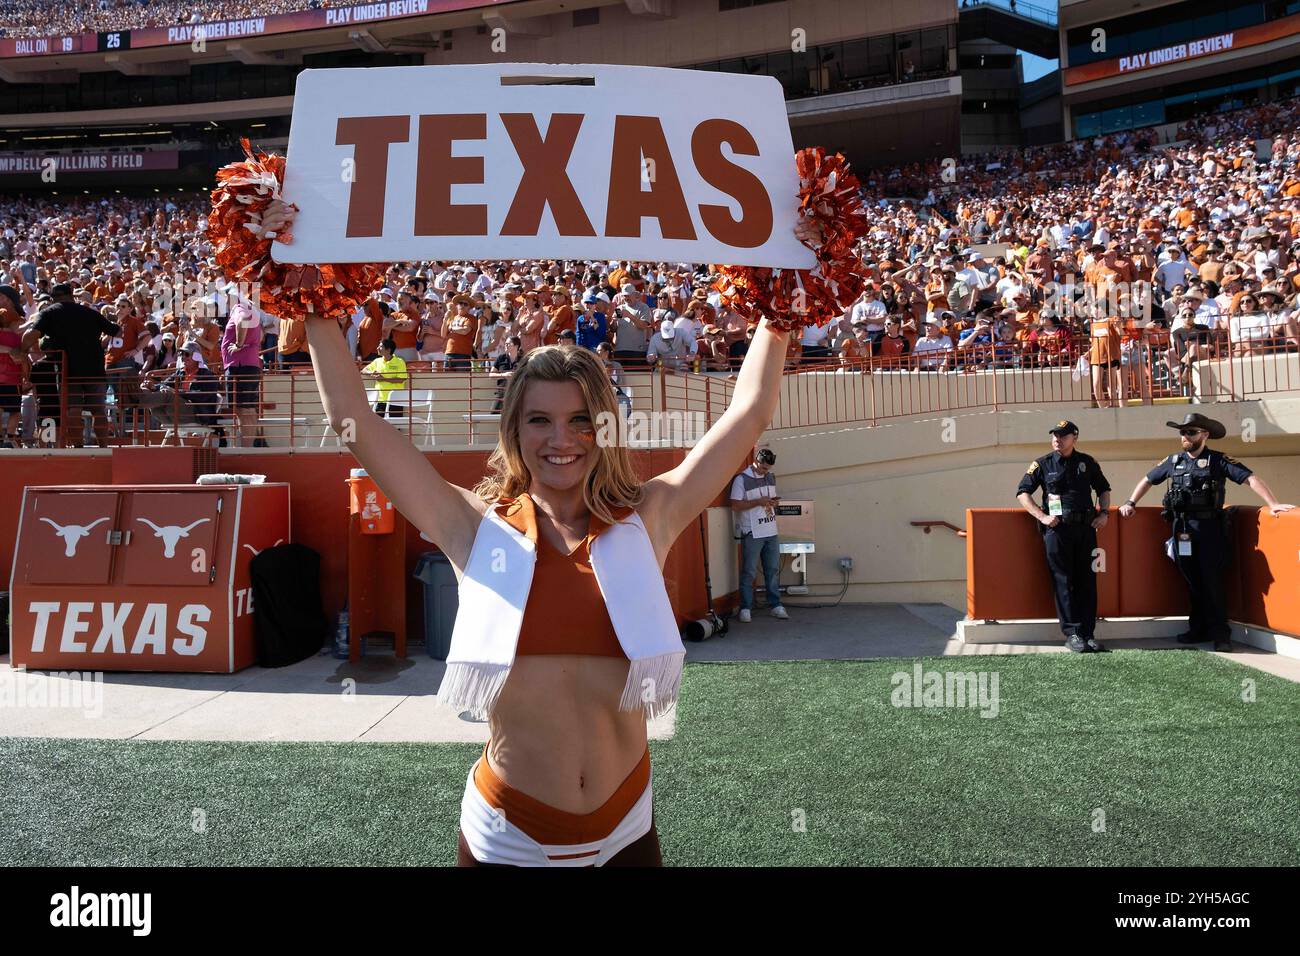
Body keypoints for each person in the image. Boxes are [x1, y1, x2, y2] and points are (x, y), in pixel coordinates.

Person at [264, 196, 806, 867]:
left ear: (603, 427)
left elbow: (748, 413)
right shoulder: (471, 527)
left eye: (581, 420)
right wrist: (311, 292)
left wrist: (786, 288)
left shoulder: (650, 515)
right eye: (540, 421)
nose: (562, 441)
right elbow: (353, 418)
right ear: (514, 433)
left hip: (628, 831)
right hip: (507, 838)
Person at [1118, 413, 1295, 652]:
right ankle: (1198, 629)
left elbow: (1250, 479)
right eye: (1183, 432)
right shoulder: (1173, 461)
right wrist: (1131, 502)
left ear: (1205, 435)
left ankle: (1221, 634)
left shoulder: (1219, 460)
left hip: (1209, 530)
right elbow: (1148, 480)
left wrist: (1273, 503)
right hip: (1181, 529)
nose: (1185, 437)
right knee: (1192, 582)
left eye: (1191, 432)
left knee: (1212, 582)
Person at [1016, 420, 1112, 653]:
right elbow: (1022, 492)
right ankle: (1073, 634)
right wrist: (1042, 517)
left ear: (1074, 438)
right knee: (1063, 582)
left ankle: (1088, 634)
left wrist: (1105, 513)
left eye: (1063, 435)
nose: (1057, 439)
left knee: (1087, 581)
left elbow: (1104, 489)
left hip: (1086, 530)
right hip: (1058, 531)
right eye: (1054, 435)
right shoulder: (1042, 464)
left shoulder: (1087, 463)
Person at [22, 282, 120, 447]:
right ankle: (104, 447)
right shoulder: (90, 312)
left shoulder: (49, 313)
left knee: (72, 411)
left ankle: (78, 446)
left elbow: (30, 334)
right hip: (95, 369)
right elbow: (115, 331)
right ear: (72, 294)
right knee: (98, 410)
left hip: (69, 372)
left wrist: (21, 351)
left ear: (53, 298)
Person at [729, 448, 787, 624]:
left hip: (771, 529)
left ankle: (775, 604)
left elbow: (767, 499)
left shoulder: (770, 477)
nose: (765, 471)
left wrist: (772, 502)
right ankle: (745, 607)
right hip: (752, 531)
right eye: (762, 468)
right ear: (755, 461)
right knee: (749, 571)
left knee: (772, 570)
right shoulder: (741, 479)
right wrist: (759, 502)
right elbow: (735, 505)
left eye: (767, 469)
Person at [221, 301, 263, 447]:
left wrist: (239, 344)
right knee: (248, 410)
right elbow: (261, 335)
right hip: (249, 365)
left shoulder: (240, 308)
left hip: (239, 367)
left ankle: (246, 449)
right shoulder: (254, 311)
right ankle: (249, 447)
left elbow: (242, 320)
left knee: (242, 410)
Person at [361, 338, 408, 419]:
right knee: (378, 427)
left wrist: (384, 379)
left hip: (396, 401)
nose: (377, 348)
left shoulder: (400, 362)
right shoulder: (377, 361)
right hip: (380, 400)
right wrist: (371, 373)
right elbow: (364, 370)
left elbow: (401, 379)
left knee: (395, 427)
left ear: (388, 350)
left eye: (380, 346)